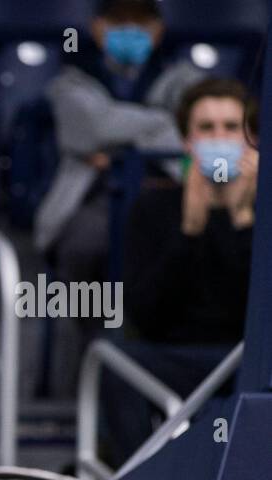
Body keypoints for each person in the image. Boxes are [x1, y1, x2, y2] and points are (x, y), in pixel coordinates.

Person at [105, 76, 256, 465]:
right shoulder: (154, 207)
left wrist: (241, 220)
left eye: (231, 128)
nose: (219, 138)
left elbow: (257, 312)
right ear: (188, 142)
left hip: (247, 359)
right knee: (118, 363)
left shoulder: (263, 215)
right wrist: (190, 229)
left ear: (250, 140)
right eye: (206, 129)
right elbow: (147, 315)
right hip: (175, 356)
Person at [34, 0, 203, 283]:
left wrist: (118, 143)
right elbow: (95, 128)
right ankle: (93, 325)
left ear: (158, 29)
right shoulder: (72, 78)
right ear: (97, 27)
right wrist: (164, 122)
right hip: (96, 195)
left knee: (192, 244)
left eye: (140, 22)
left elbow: (200, 128)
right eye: (119, 21)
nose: (130, 30)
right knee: (84, 247)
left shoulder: (183, 77)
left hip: (169, 189)